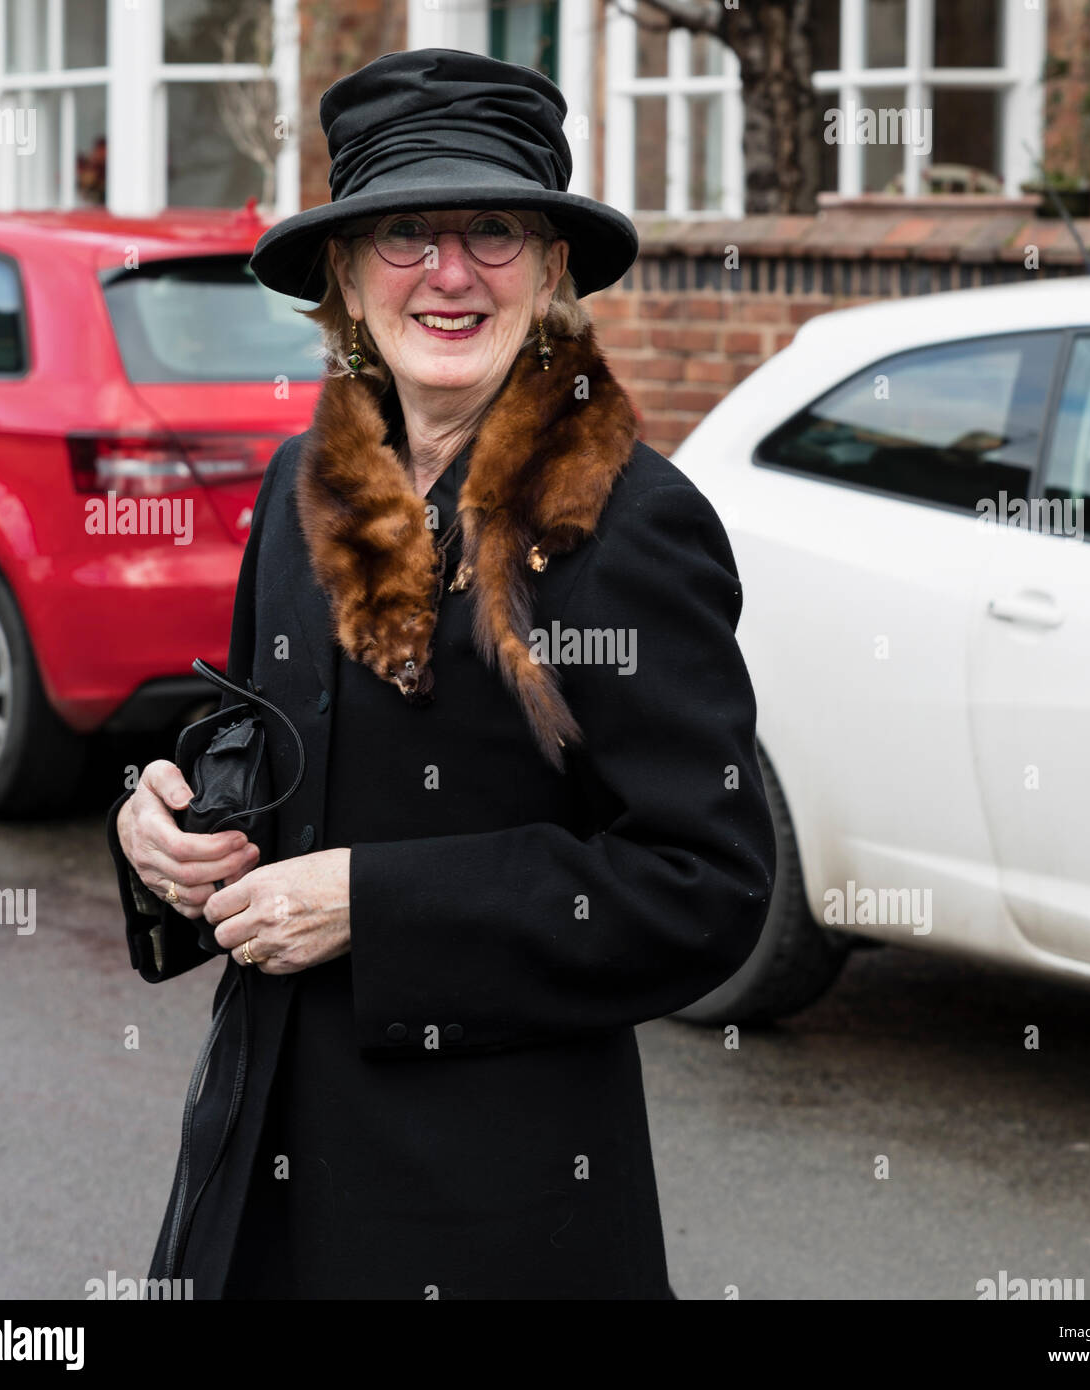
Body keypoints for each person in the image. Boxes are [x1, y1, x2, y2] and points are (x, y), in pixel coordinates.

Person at [106, 46, 775, 1300]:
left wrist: (379, 903)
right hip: (257, 1182)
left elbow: (709, 883)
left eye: (493, 231)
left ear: (554, 271)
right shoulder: (303, 490)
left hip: (496, 1219)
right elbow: (261, 743)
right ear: (347, 282)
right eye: (405, 233)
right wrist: (167, 826)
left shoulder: (628, 525)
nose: (450, 272)